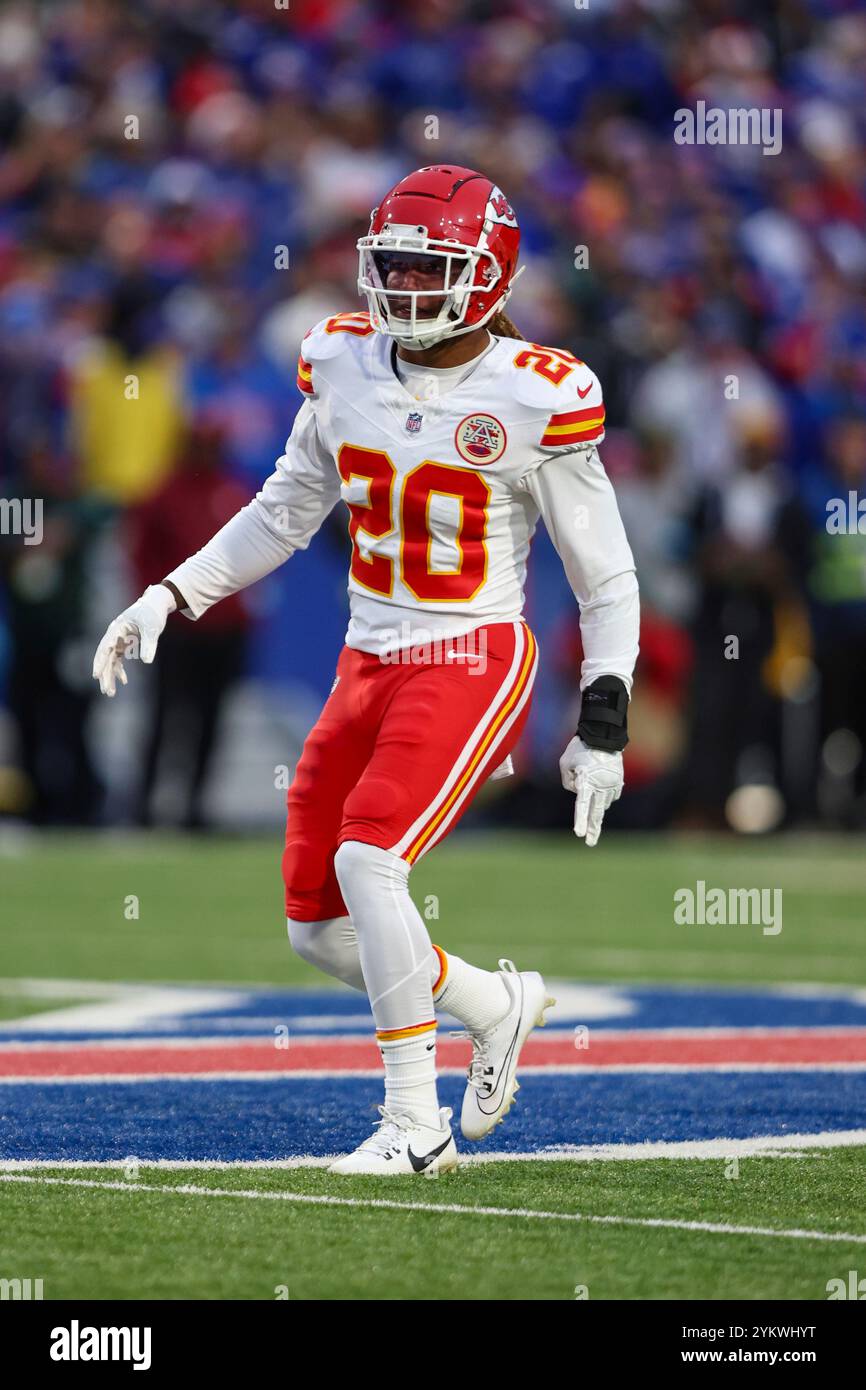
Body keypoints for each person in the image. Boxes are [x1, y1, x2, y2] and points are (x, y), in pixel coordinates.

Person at [92, 165, 640, 1176]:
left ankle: (411, 1122)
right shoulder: (341, 362)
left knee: (367, 860)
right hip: (365, 655)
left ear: (488, 277)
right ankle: (494, 1002)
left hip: (471, 651)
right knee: (316, 929)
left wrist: (600, 717)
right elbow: (284, 509)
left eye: (426, 269)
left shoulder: (536, 394)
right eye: (388, 265)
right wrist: (171, 593)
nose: (399, 288)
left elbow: (602, 574)